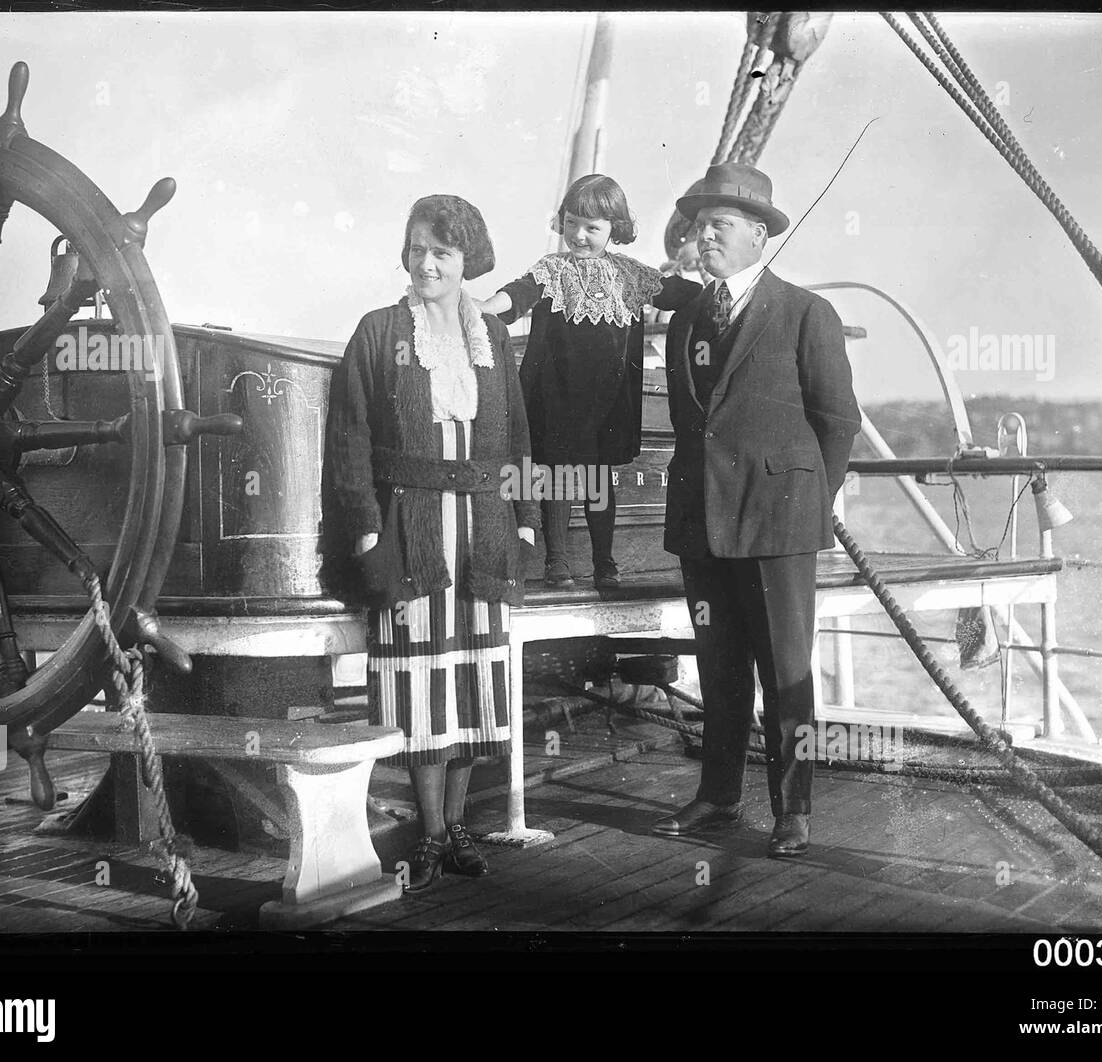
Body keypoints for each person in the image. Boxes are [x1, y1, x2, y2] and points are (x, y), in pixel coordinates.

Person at [321, 194, 539, 891]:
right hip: (409, 531)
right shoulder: (379, 332)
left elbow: (519, 434)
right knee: (418, 686)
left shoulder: (494, 337)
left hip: (484, 531)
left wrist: (525, 514)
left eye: (440, 251)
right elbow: (349, 439)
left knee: (475, 682)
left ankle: (460, 825)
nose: (425, 263)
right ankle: (433, 831)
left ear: (466, 257)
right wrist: (363, 526)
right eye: (416, 249)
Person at [650, 162, 861, 857]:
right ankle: (717, 797)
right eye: (699, 225)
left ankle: (792, 808)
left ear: (757, 238)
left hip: (778, 526)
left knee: (786, 672)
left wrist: (807, 504)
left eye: (719, 225)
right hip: (704, 528)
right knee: (718, 666)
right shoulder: (687, 318)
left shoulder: (806, 313)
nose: (702, 236)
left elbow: (837, 421)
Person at [477, 174, 701, 589]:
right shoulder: (551, 270)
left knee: (599, 480)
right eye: (572, 223)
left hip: (608, 400)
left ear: (615, 229)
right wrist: (483, 308)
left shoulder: (633, 276)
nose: (579, 235)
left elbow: (684, 296)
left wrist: (722, 291)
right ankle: (557, 562)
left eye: (592, 228)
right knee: (558, 475)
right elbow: (517, 296)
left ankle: (604, 563)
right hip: (555, 394)